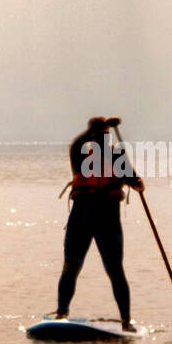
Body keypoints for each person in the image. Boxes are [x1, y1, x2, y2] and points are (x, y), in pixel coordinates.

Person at [55, 117, 144, 331]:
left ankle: (125, 320)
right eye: (100, 135)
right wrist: (137, 183)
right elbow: (134, 180)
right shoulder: (84, 153)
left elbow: (134, 180)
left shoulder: (106, 153)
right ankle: (62, 314)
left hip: (99, 217)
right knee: (75, 266)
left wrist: (137, 183)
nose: (101, 139)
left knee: (108, 269)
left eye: (103, 136)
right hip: (90, 217)